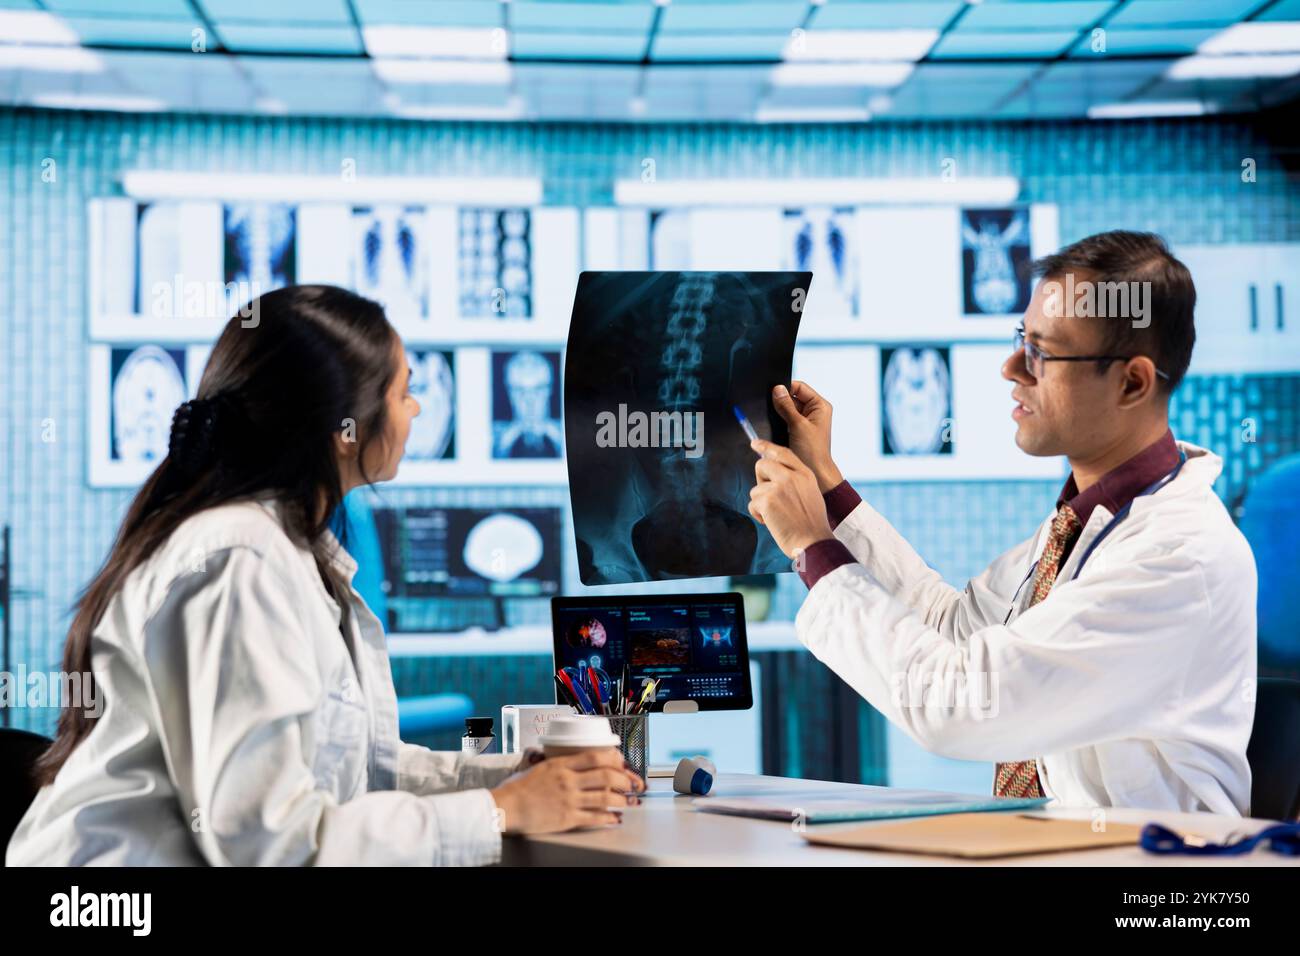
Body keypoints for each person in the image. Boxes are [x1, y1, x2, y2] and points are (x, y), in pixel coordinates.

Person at [7, 285, 642, 866]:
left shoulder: (280, 552)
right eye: (402, 391)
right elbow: (267, 842)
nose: (416, 409)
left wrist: (506, 780)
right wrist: (502, 811)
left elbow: (358, 769)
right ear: (345, 428)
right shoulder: (240, 563)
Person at [747, 231, 1257, 815]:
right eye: (1022, 339)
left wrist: (813, 548)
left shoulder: (1177, 557)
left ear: (1132, 382)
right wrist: (829, 490)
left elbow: (961, 704)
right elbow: (951, 626)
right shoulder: (1087, 526)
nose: (1012, 367)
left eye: (1044, 352)